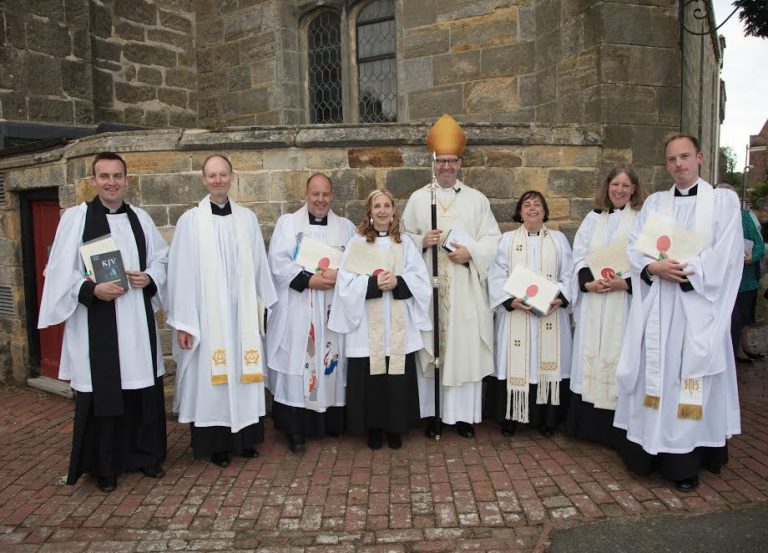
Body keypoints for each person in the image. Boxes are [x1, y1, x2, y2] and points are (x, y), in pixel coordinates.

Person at [614, 134, 742, 491]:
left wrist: (688, 271)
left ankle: (684, 462)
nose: (678, 165)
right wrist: (653, 268)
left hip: (696, 308)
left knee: (687, 380)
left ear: (700, 157)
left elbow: (726, 254)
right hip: (658, 307)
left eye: (685, 157)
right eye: (671, 159)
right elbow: (635, 246)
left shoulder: (722, 203)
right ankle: (648, 453)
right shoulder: (656, 203)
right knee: (657, 377)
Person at [38, 152, 168, 493]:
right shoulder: (77, 219)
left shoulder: (141, 219)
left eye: (117, 176)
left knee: (140, 388)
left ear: (126, 179)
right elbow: (57, 273)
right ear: (93, 180)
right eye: (104, 176)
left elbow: (162, 259)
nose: (111, 182)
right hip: (98, 321)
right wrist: (92, 289)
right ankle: (105, 467)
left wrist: (149, 277)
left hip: (135, 321)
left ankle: (145, 456)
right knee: (105, 393)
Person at [167, 154, 277, 468]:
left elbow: (259, 267)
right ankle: (216, 445)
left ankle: (245, 440)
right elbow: (180, 273)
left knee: (243, 376)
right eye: (212, 175)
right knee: (212, 381)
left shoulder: (247, 219)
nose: (218, 180)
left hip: (242, 317)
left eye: (223, 174)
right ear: (204, 180)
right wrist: (185, 322)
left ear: (232, 177)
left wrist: (262, 307)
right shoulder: (190, 221)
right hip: (208, 319)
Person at [401, 114, 501, 439]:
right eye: (441, 160)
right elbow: (401, 239)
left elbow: (493, 241)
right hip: (430, 291)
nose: (446, 166)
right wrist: (421, 241)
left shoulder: (477, 200)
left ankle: (462, 417)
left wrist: (471, 253)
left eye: (451, 161)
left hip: (464, 291)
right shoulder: (419, 199)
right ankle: (433, 414)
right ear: (433, 162)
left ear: (460, 163)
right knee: (433, 348)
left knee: (463, 350)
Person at [329, 189, 431, 449]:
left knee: (396, 376)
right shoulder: (357, 243)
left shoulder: (405, 244)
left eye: (387, 205)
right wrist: (373, 284)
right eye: (377, 206)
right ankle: (373, 428)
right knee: (371, 377)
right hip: (367, 324)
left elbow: (420, 280)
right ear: (370, 212)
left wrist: (398, 282)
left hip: (398, 323)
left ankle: (396, 427)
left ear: (394, 211)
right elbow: (345, 283)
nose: (382, 210)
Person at [265, 173, 357, 453]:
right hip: (299, 307)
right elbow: (278, 263)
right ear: (306, 195)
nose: (320, 200)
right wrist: (309, 280)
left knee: (330, 359)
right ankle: (296, 428)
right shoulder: (288, 224)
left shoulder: (346, 228)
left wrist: (340, 276)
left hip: (330, 307)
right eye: (315, 194)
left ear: (332, 196)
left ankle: (330, 422)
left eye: (325, 194)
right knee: (298, 360)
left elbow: (356, 264)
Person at [565, 166, 646, 446]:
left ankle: (616, 428)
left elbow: (645, 260)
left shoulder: (640, 219)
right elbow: (579, 256)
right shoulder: (592, 219)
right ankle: (586, 426)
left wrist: (626, 284)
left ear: (634, 189)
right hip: (595, 299)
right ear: (607, 187)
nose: (619, 190)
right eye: (615, 184)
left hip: (622, 301)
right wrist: (587, 283)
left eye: (626, 185)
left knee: (618, 352)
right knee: (591, 352)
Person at [487, 190, 574, 437]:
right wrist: (510, 301)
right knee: (516, 364)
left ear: (545, 211)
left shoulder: (558, 240)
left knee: (547, 366)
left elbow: (568, 274)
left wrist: (560, 298)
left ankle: (548, 419)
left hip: (550, 315)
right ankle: (511, 418)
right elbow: (496, 274)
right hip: (516, 314)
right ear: (520, 212)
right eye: (527, 205)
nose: (532, 208)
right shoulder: (507, 240)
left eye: (537, 204)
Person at [731, 196, 768, 363]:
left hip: (748, 278)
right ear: (764, 210)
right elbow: (758, 245)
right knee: (740, 317)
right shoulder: (745, 218)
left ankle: (743, 349)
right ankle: (738, 351)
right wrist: (753, 256)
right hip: (743, 280)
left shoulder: (748, 219)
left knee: (745, 318)